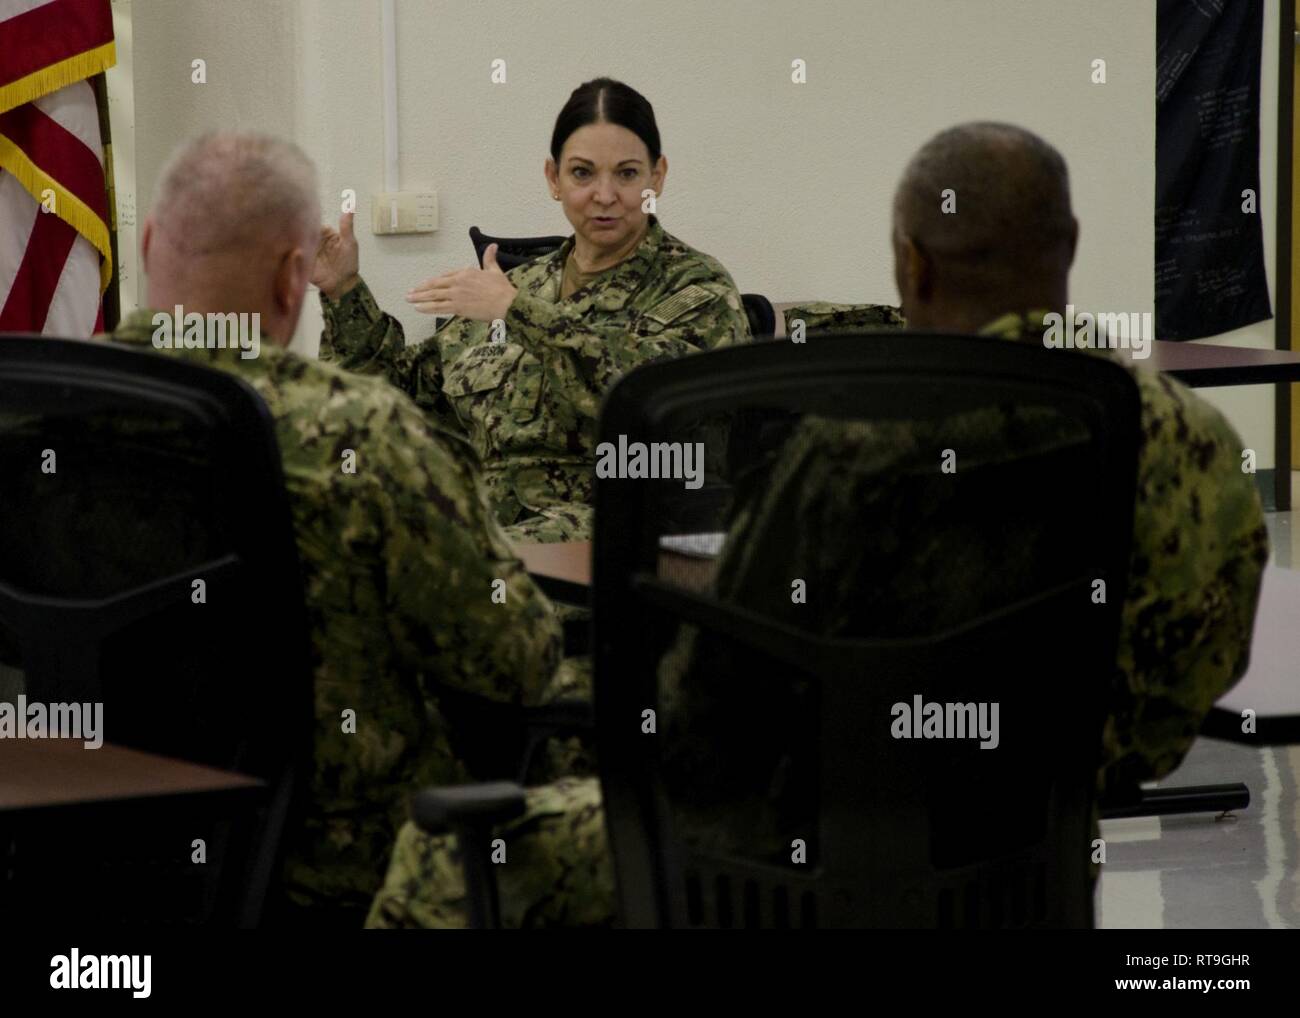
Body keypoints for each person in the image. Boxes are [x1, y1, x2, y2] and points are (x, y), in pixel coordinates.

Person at [365, 122, 1268, 928]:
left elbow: (712, 722)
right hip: (1025, 863)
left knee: (450, 854)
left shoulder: (844, 453)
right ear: (1070, 244)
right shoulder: (1188, 440)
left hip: (776, 862)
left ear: (909, 264)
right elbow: (1182, 695)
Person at [101, 132, 564, 924]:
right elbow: (516, 661)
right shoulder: (360, 432)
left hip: (91, 846)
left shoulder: (56, 408)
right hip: (339, 870)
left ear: (146, 247)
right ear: (293, 279)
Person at [313, 77, 752, 543]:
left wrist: (517, 312)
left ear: (657, 177)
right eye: (583, 173)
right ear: (553, 179)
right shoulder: (521, 283)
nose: (605, 195)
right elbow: (398, 397)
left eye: (626, 174)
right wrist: (344, 291)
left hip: (616, 529)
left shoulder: (696, 288)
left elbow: (646, 400)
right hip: (481, 517)